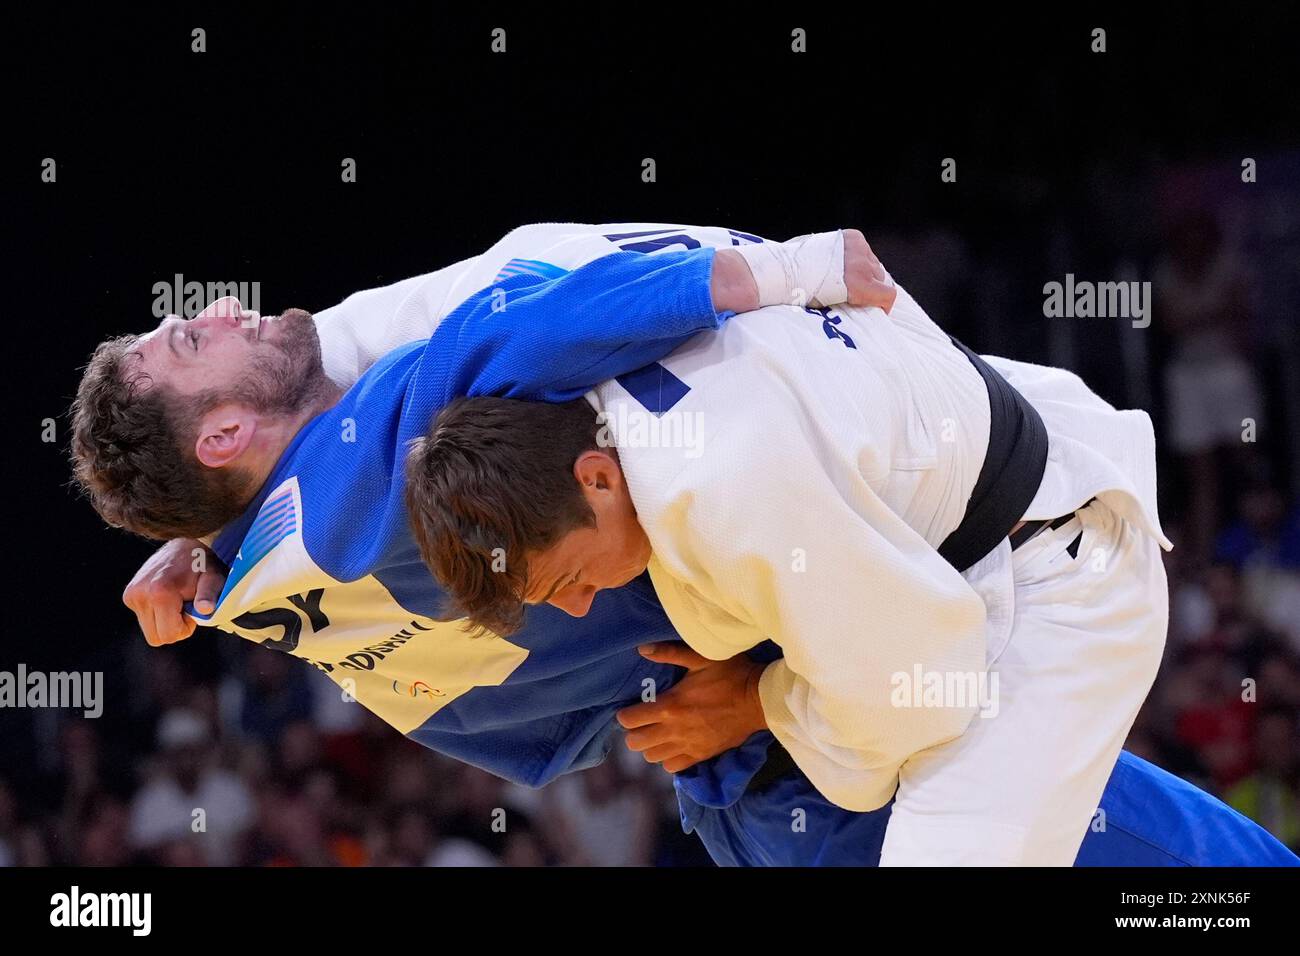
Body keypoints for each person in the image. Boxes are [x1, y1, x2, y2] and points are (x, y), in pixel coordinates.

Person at [97, 224, 1296, 866]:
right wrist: (223, 571)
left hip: (1027, 574)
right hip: (901, 527)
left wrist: (763, 699)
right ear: (227, 435)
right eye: (190, 342)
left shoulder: (706, 478)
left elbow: (930, 681)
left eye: (560, 577)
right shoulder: (463, 395)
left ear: (593, 475)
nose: (216, 308)